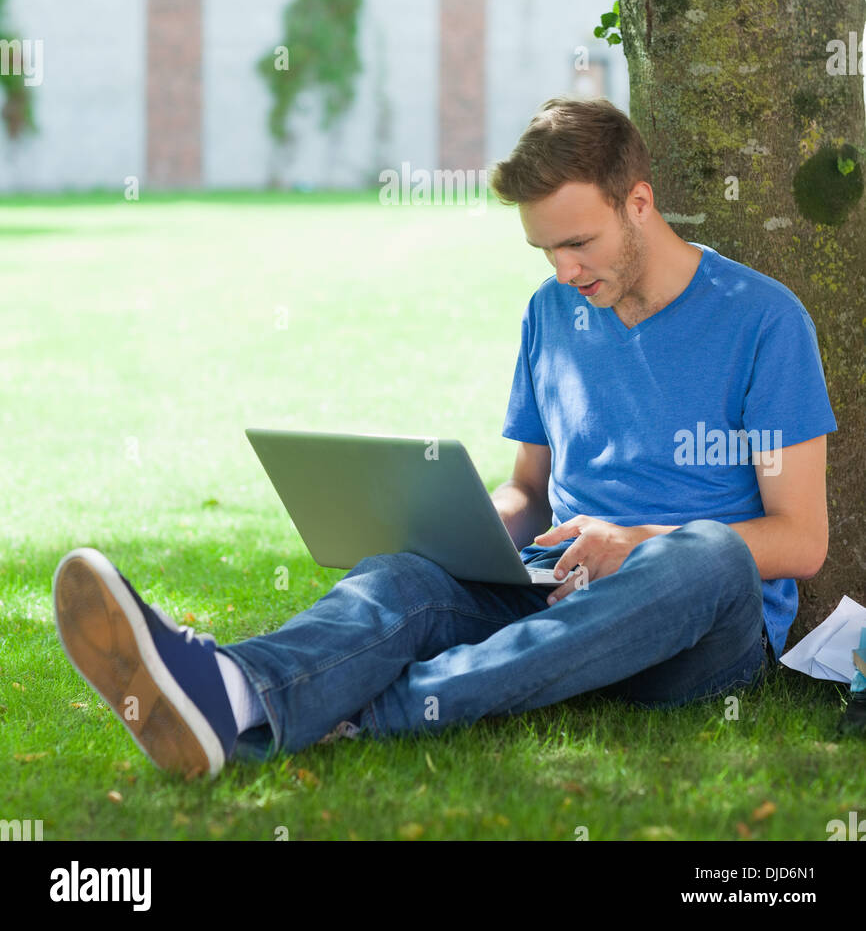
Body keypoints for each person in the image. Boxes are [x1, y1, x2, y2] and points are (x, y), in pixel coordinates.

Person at [53, 96, 837, 779]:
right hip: (559, 588)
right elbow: (530, 492)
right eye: (544, 250)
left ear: (638, 203)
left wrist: (636, 542)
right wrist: (458, 536)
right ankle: (227, 690)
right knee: (403, 577)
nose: (565, 271)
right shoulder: (551, 314)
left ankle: (364, 712)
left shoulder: (763, 321)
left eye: (578, 244)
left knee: (706, 555)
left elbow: (800, 541)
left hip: (694, 628)